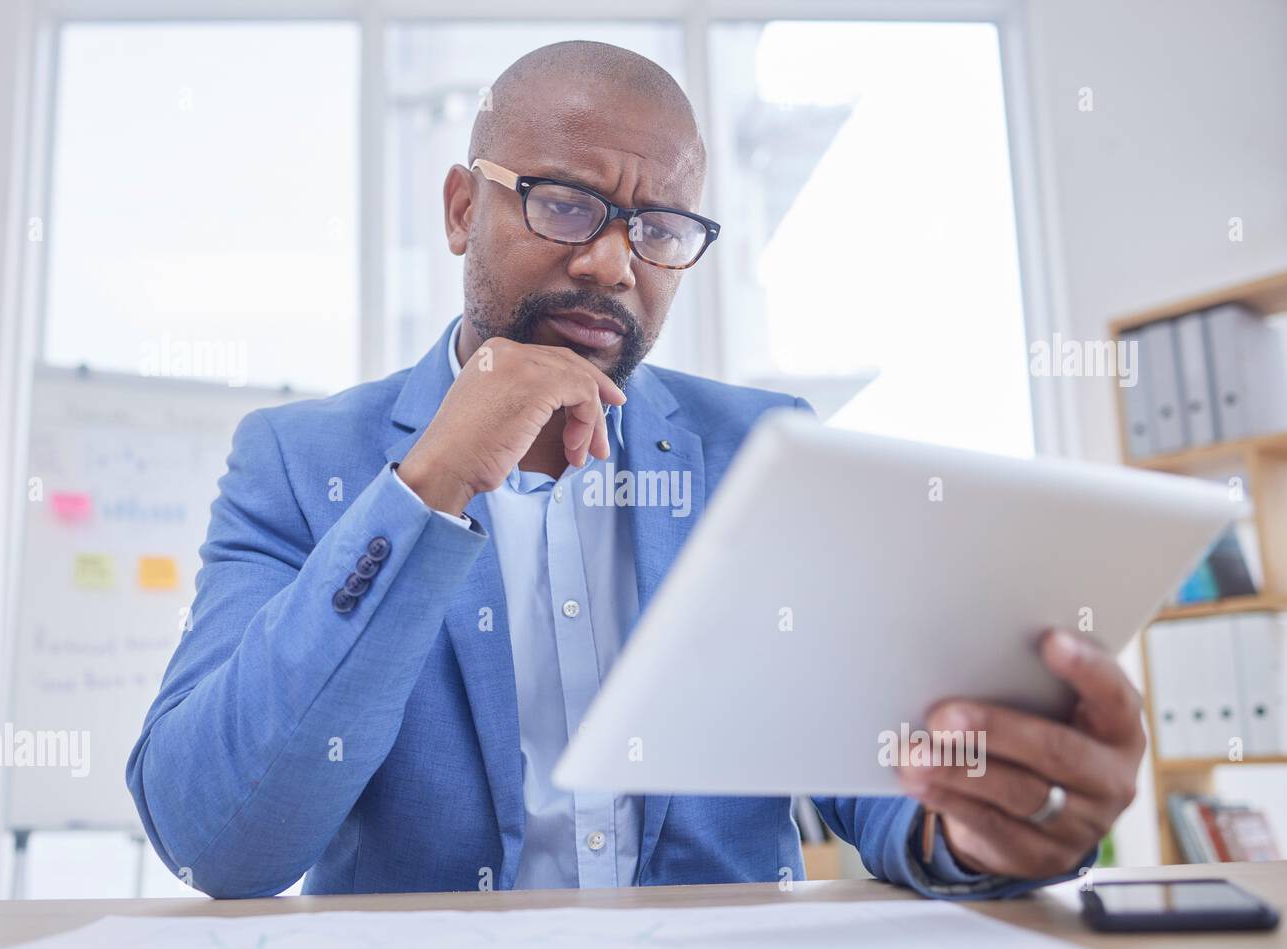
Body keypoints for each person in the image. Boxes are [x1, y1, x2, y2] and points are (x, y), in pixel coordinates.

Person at [127, 41, 1144, 899]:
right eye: (565, 205)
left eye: (658, 229)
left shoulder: (762, 451)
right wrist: (426, 484)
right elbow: (218, 836)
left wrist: (977, 827)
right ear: (457, 211)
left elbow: (873, 773)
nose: (614, 266)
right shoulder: (302, 465)